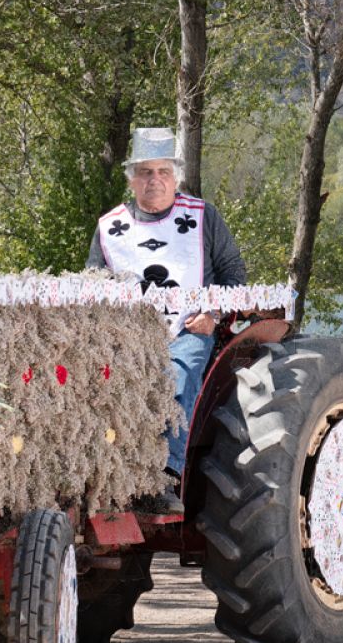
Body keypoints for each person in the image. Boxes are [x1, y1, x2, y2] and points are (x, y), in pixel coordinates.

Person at [87, 127, 248, 481]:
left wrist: (213, 315)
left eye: (163, 172)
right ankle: (97, 472)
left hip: (188, 329)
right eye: (145, 172)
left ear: (175, 177)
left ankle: (165, 476)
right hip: (126, 337)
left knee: (178, 376)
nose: (154, 180)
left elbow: (234, 272)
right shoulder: (110, 228)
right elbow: (92, 286)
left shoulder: (203, 217)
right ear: (132, 181)